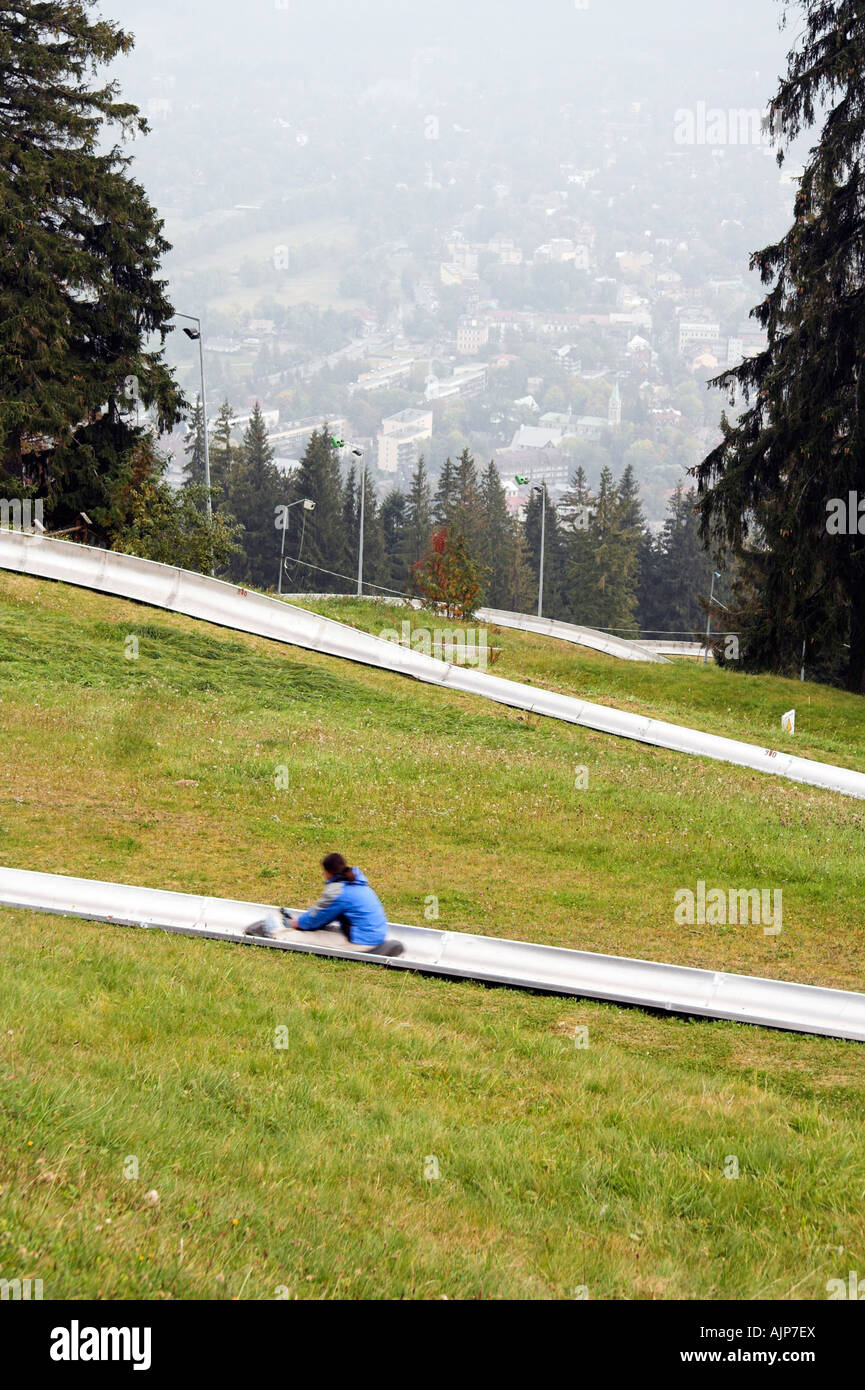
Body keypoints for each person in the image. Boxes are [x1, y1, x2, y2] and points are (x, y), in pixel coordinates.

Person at [245, 853, 404, 958]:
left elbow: (316, 919)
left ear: (328, 872)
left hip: (362, 942)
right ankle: (382, 946)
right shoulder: (357, 883)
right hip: (374, 933)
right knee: (327, 930)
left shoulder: (338, 891)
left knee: (314, 937)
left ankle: (274, 932)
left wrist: (295, 924)